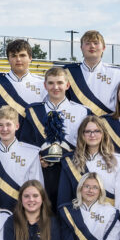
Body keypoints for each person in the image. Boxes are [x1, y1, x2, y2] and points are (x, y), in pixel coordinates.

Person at [19, 65, 88, 202]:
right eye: (51, 83)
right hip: (42, 171)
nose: (55, 87)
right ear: (45, 85)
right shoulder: (34, 111)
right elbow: (25, 142)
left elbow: (88, 143)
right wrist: (36, 159)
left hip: (72, 170)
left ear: (67, 85)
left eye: (60, 83)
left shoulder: (82, 111)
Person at [0, 107, 45, 213]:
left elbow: (38, 188)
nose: (4, 129)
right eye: (0, 125)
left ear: (17, 126)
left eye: (8, 125)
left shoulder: (30, 152)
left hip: (22, 212)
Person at [56, 115, 120, 211]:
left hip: (109, 220)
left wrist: (117, 223)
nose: (92, 135)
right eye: (88, 131)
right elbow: (64, 200)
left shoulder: (118, 162)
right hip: (79, 221)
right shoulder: (70, 161)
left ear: (103, 134)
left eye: (97, 131)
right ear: (82, 135)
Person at [62, 29, 120, 115]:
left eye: (96, 43)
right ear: (81, 48)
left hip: (106, 124)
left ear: (103, 48)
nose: (92, 46)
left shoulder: (116, 74)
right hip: (76, 124)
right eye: (87, 43)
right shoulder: (68, 72)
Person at [0, 38, 45, 115]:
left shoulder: (43, 83)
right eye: (14, 56)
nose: (18, 59)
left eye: (22, 55)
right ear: (8, 59)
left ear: (30, 58)